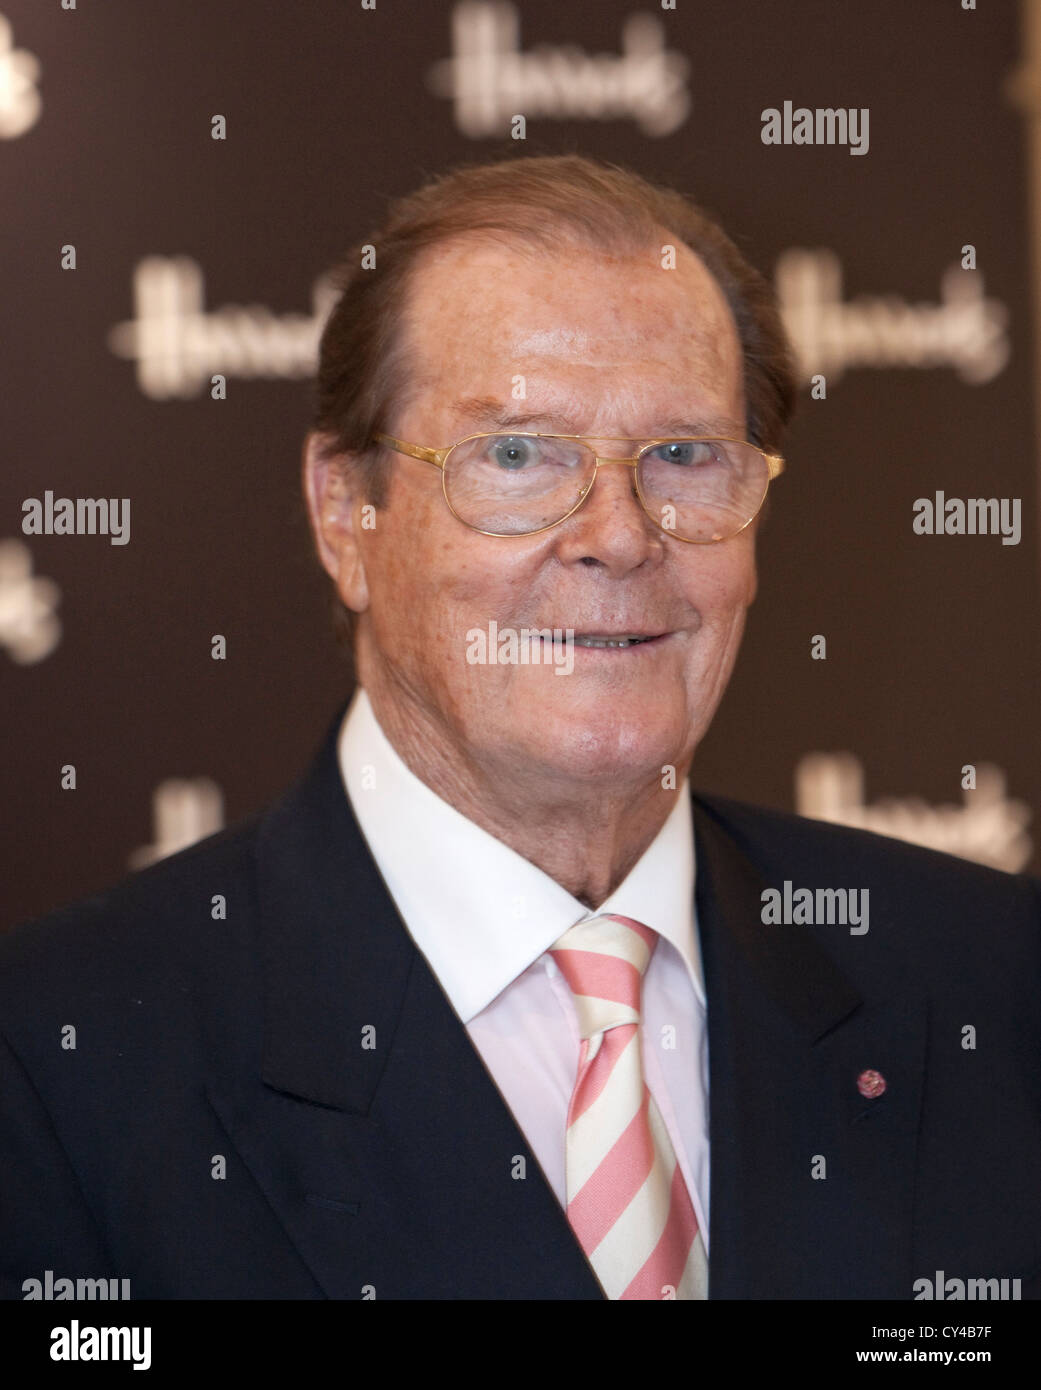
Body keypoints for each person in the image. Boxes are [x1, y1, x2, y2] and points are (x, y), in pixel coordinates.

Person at [2, 155, 1039, 1301]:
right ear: (347, 514)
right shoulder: (59, 1061)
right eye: (516, 453)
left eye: (685, 456)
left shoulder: (994, 986)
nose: (620, 536)